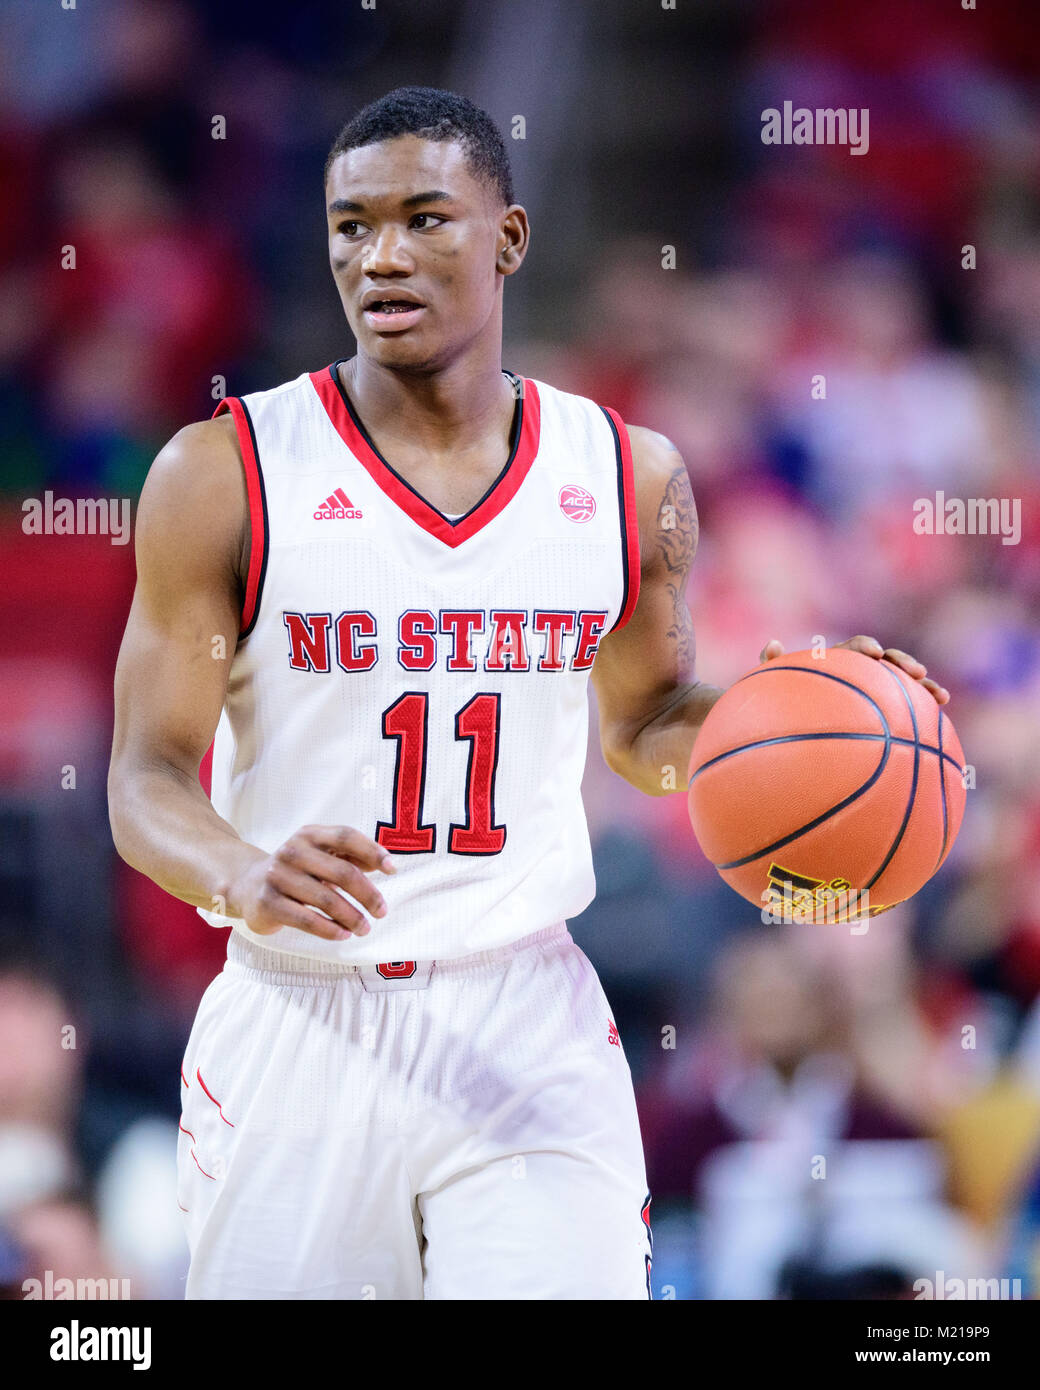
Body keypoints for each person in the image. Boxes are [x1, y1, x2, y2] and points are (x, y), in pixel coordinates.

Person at [107, 86, 947, 1300]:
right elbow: (140, 778)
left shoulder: (626, 474)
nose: (379, 255)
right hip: (298, 1016)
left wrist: (823, 712)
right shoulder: (222, 471)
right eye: (350, 226)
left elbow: (650, 729)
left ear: (506, 239)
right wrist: (237, 866)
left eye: (422, 219)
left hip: (521, 1011)